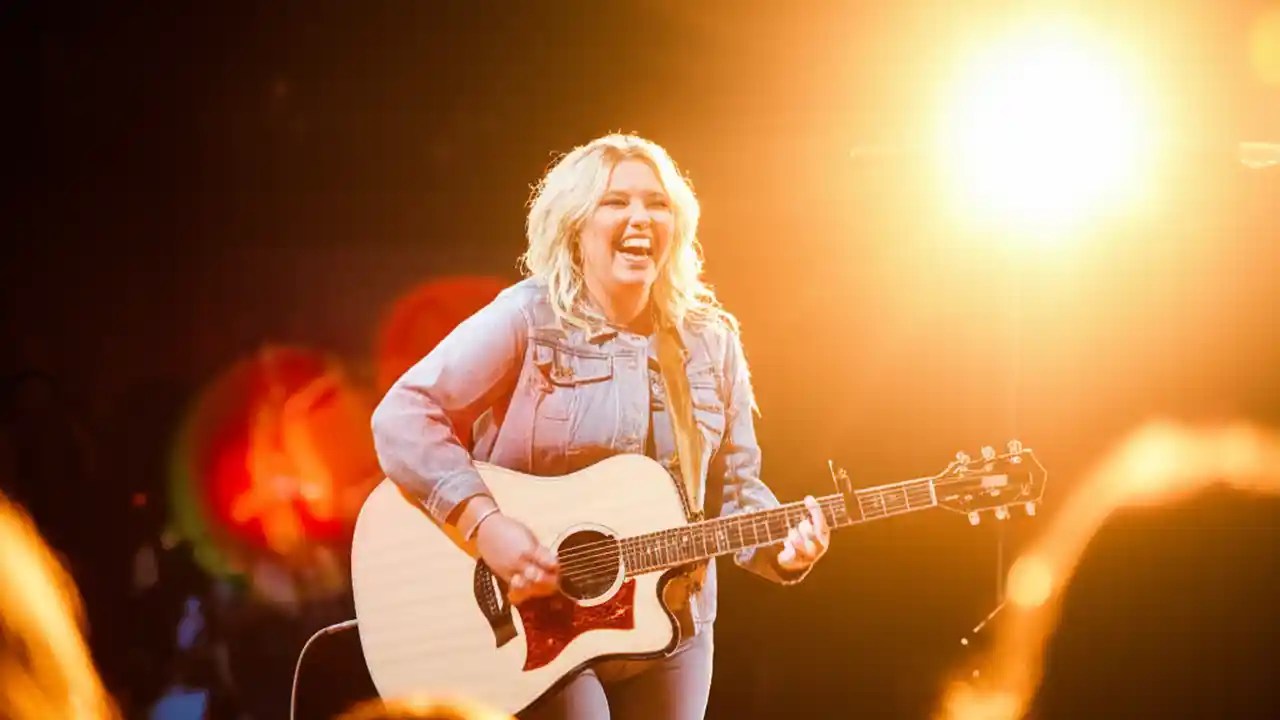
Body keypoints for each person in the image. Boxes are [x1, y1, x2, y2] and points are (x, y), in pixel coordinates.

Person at [370, 133, 831, 719]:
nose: (640, 217)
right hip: (532, 618)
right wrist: (488, 527)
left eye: (657, 204)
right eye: (617, 202)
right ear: (575, 226)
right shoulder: (529, 316)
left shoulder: (711, 344)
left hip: (675, 625)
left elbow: (739, 495)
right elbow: (404, 414)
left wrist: (786, 551)